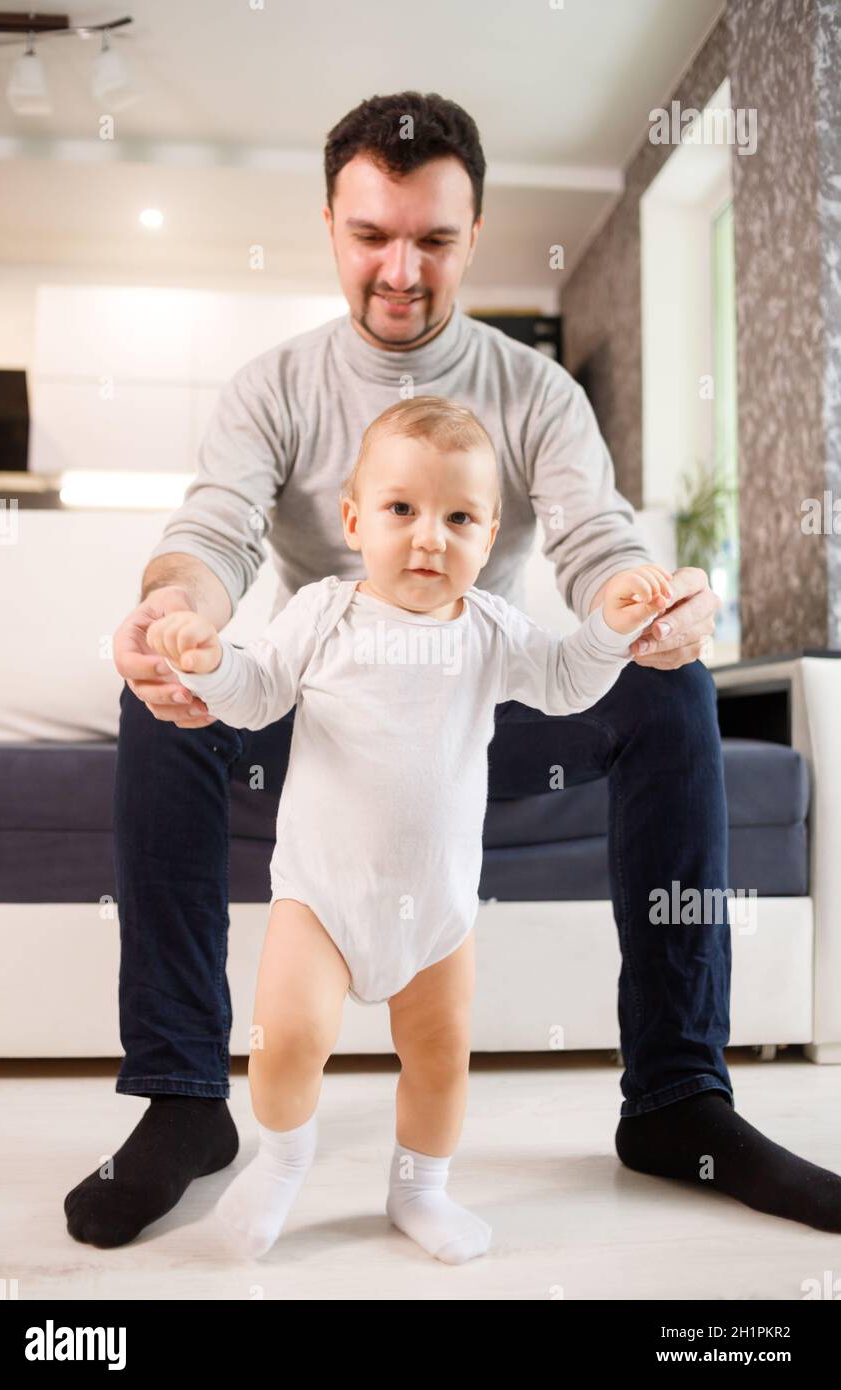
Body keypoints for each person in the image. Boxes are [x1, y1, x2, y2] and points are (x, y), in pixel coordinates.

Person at [66, 91, 841, 1249]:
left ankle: (678, 1095)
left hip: (478, 702)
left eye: (431, 238)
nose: (398, 269)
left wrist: (648, 603)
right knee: (161, 706)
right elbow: (214, 533)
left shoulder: (535, 395)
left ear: (473, 233)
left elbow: (595, 546)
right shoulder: (271, 389)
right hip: (307, 702)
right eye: (371, 234)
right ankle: (185, 1099)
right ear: (330, 224)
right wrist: (173, 614)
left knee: (667, 685)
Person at [144, 395, 671, 1262]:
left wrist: (612, 624)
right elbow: (259, 695)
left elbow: (569, 684)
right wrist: (212, 663)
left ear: (494, 532)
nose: (430, 537)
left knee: (440, 1056)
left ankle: (420, 1189)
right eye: (402, 510)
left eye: (459, 517)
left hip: (435, 908)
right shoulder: (325, 613)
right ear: (354, 520)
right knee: (287, 1041)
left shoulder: (492, 629)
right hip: (321, 895)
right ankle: (280, 1161)